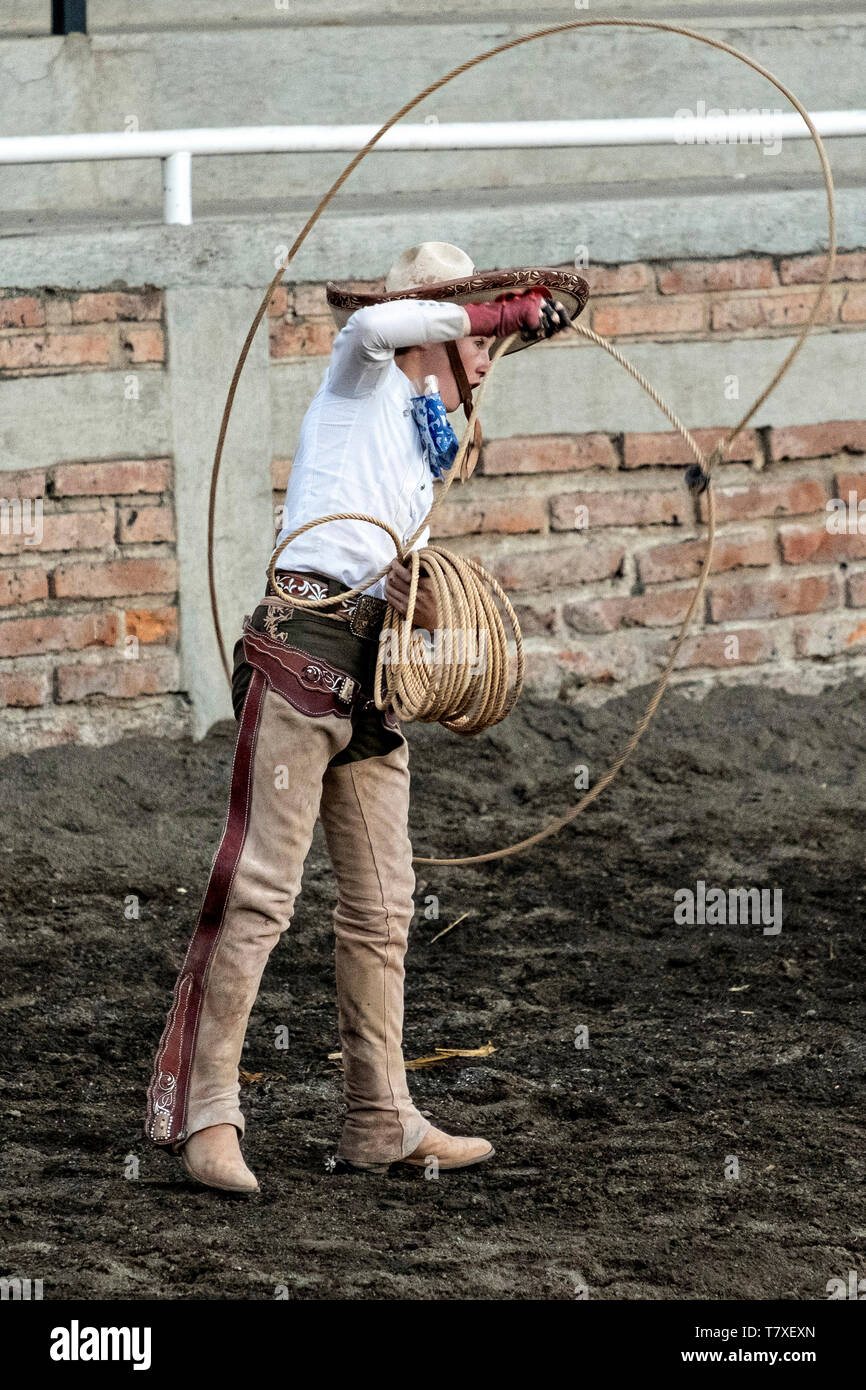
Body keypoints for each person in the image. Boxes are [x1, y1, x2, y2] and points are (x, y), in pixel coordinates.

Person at [144, 242, 588, 1192]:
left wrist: (421, 598)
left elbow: (389, 562)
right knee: (263, 889)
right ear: (442, 320)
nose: (485, 352)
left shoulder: (427, 434)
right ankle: (205, 1115)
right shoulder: (363, 371)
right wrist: (505, 312)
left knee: (385, 905)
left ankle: (381, 1117)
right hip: (303, 641)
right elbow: (375, 323)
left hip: (372, 669)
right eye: (473, 328)